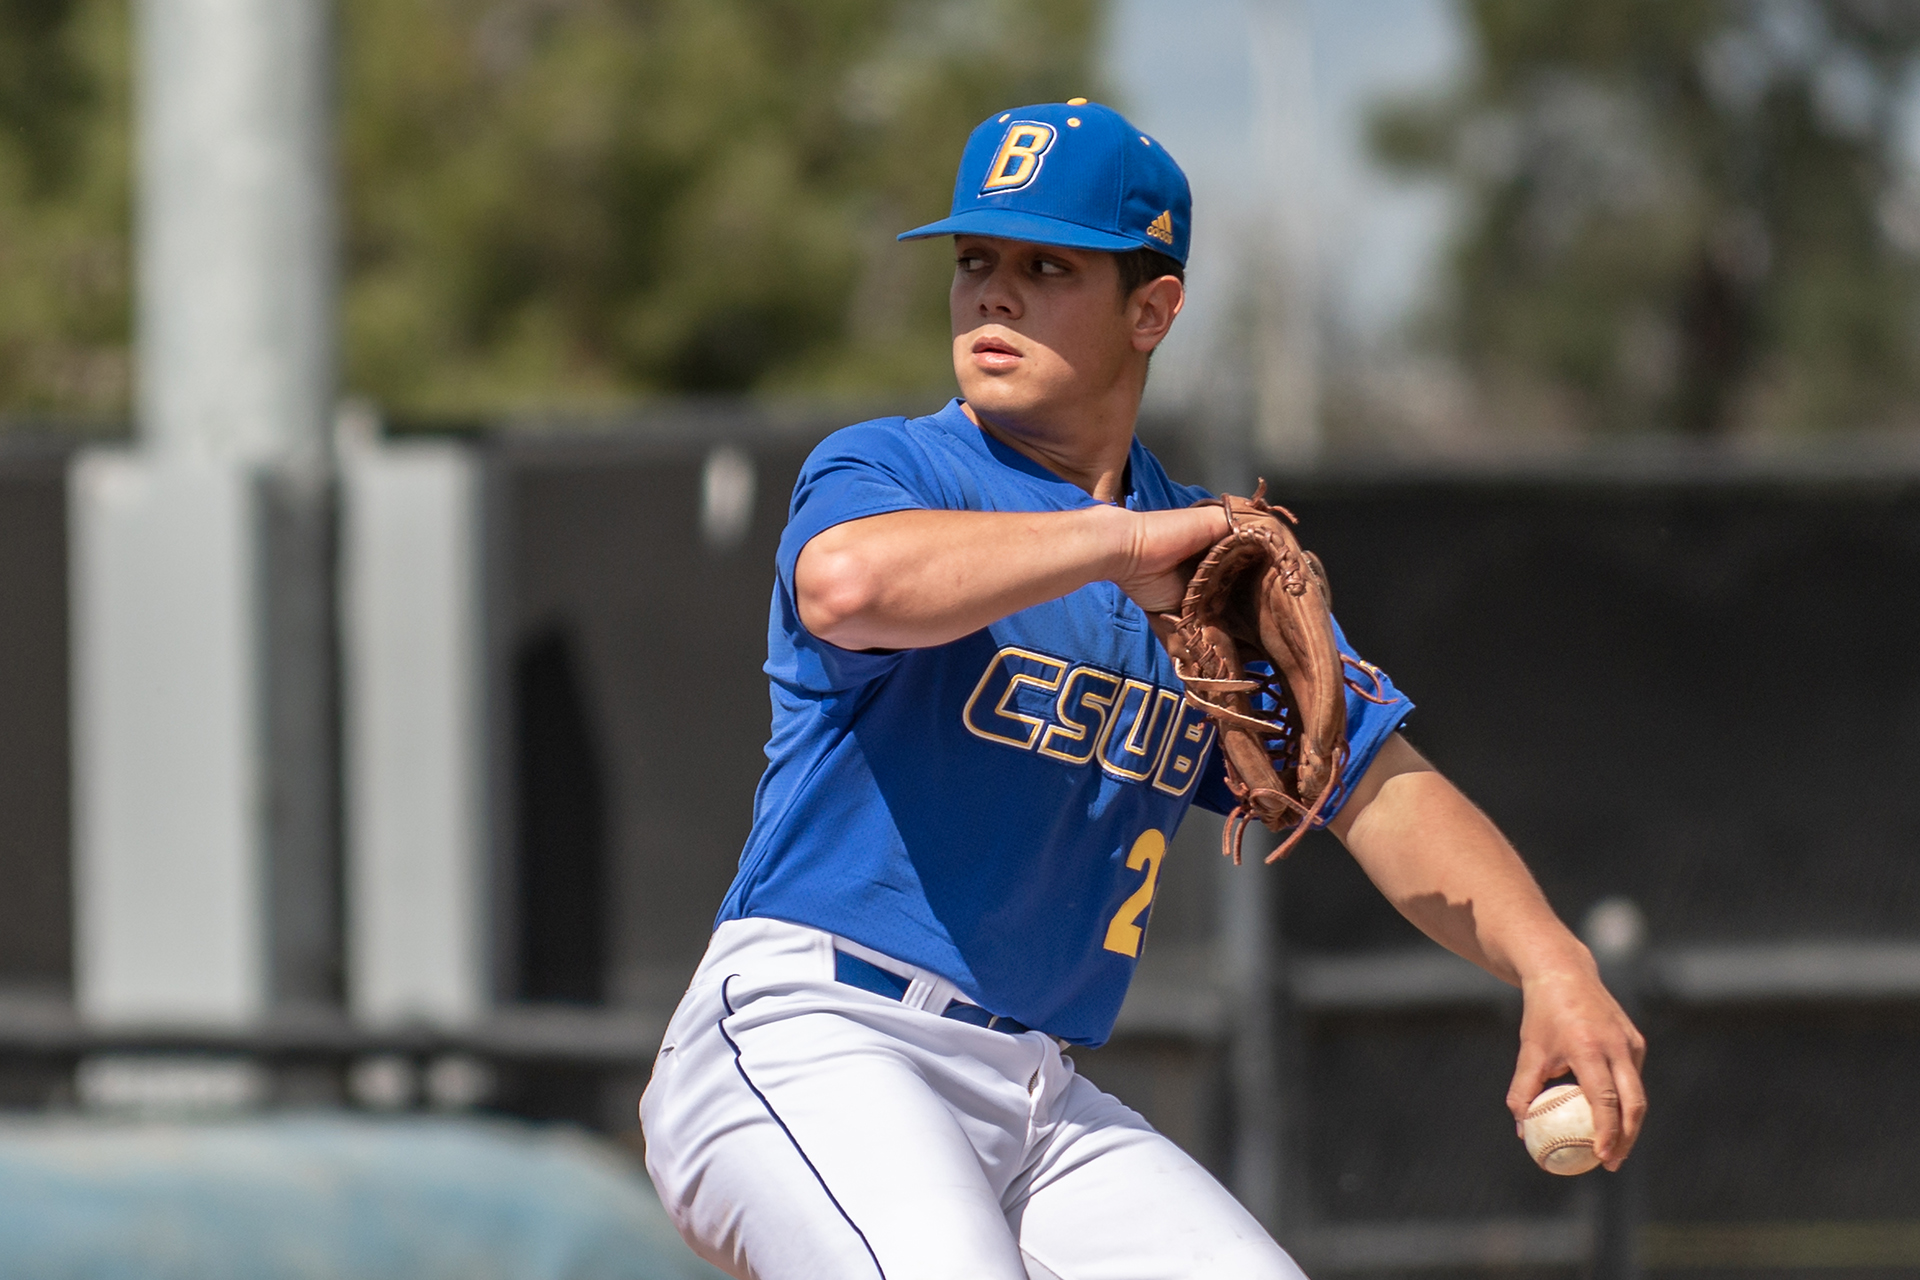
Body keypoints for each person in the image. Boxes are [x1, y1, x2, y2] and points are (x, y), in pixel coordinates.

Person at [639, 99, 1646, 1280]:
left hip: (1033, 1096)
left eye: (1046, 266)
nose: (994, 295)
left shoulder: (1204, 575)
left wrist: (1552, 962)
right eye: (976, 261)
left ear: (1154, 308)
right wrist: (1115, 542)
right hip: (816, 1034)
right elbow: (850, 585)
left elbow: (1380, 786)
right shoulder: (898, 469)